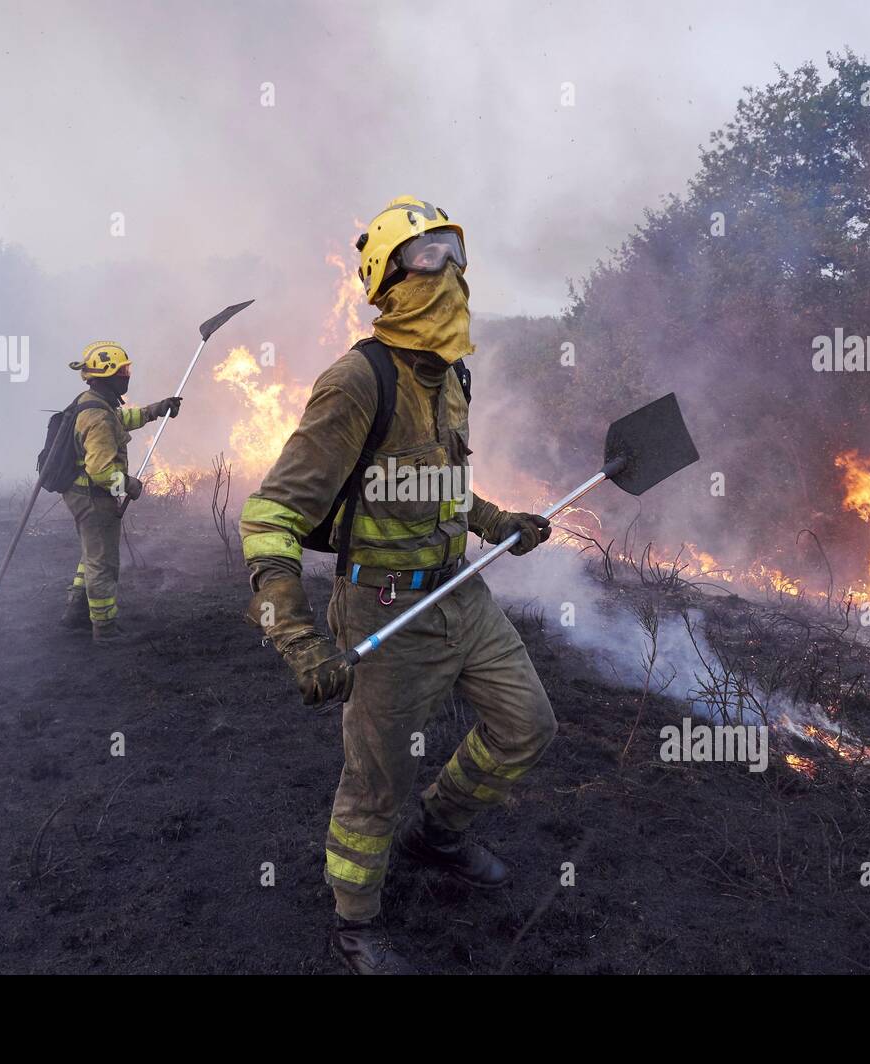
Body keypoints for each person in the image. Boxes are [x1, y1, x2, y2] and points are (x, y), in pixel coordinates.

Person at [240, 197, 556, 974]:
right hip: (385, 610)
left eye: (453, 249)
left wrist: (495, 520)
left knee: (527, 727)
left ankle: (438, 833)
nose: (445, 268)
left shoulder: (452, 376)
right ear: (386, 278)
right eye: (423, 255)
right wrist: (298, 636)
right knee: (377, 778)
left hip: (464, 598)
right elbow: (271, 515)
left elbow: (442, 484)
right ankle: (355, 918)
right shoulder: (357, 382)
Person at [60, 341, 181, 641]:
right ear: (107, 376)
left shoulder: (94, 402)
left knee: (92, 553)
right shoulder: (98, 417)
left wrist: (156, 410)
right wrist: (129, 485)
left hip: (81, 494)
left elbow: (122, 420)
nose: (127, 375)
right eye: (122, 371)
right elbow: (100, 470)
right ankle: (105, 630)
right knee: (103, 563)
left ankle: (75, 612)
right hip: (93, 497)